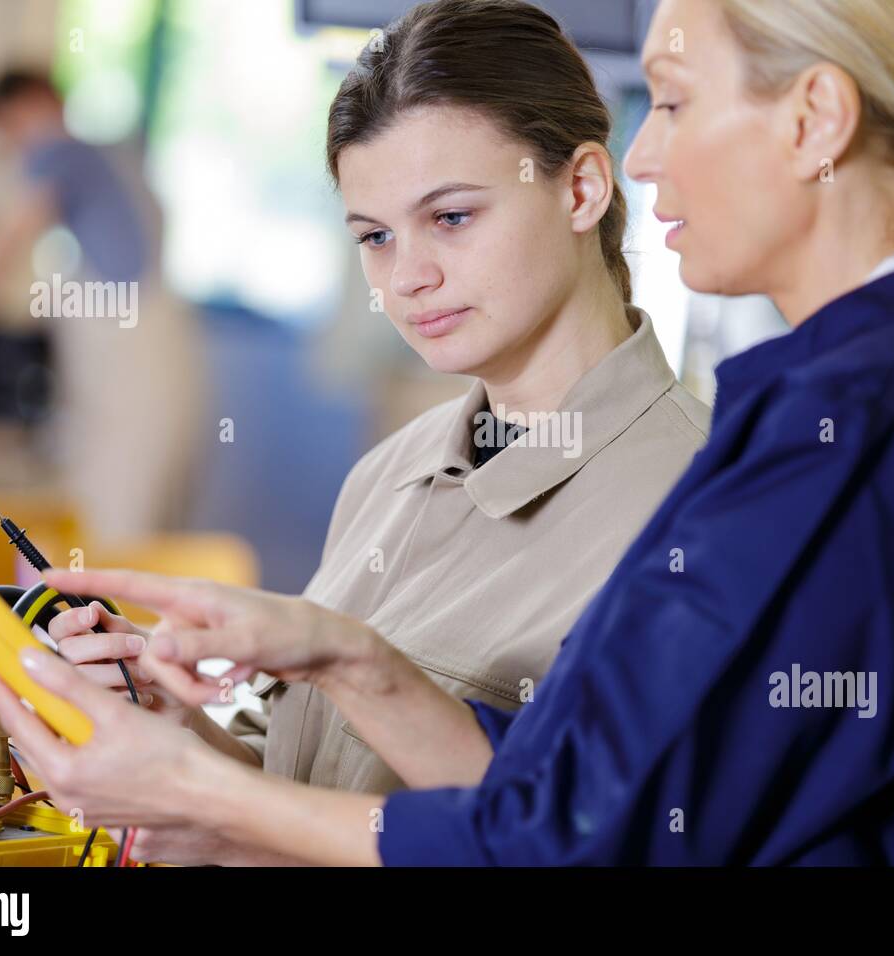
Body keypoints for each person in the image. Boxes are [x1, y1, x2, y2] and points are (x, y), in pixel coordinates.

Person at [0, 0, 894, 865]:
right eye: (372, 234)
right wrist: (338, 664)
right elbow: (589, 794)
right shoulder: (866, 390)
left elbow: (573, 838)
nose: (649, 153)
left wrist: (205, 795)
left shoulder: (849, 426)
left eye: (672, 100)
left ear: (812, 119)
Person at [35, 0, 709, 864]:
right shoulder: (388, 475)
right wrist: (174, 731)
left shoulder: (695, 505)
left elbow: (596, 843)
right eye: (376, 237)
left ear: (582, 187)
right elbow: (295, 791)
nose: (409, 277)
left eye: (453, 217)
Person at [0, 68, 205, 540]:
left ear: (30, 105)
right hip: (167, 357)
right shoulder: (111, 156)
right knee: (135, 516)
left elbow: (6, 244)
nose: (10, 148)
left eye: (6, 129)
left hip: (129, 370)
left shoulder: (60, 153)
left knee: (110, 517)